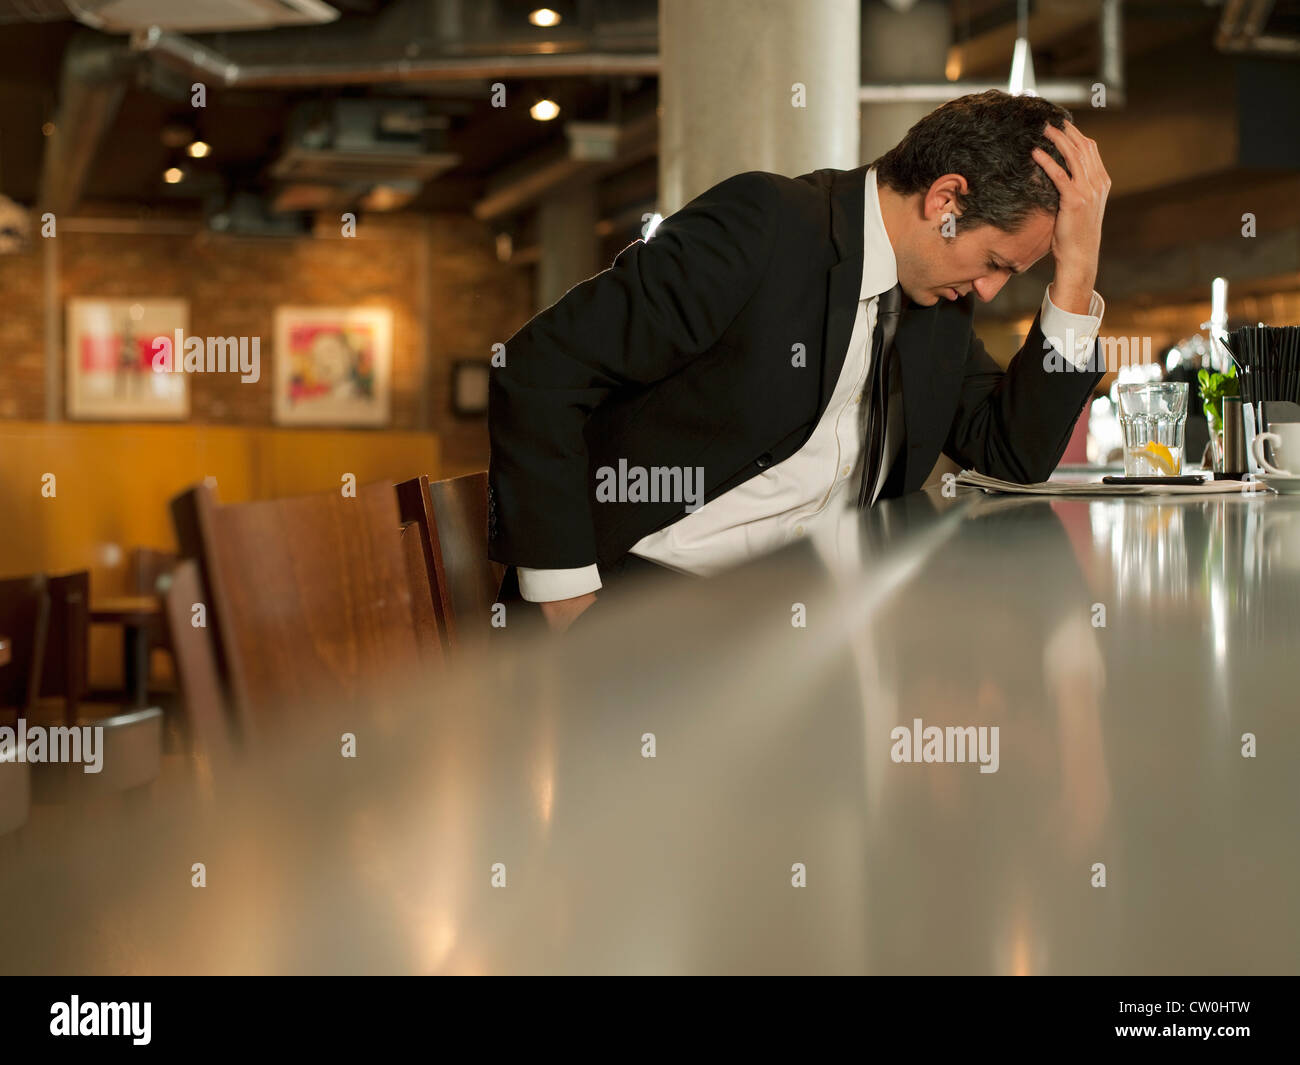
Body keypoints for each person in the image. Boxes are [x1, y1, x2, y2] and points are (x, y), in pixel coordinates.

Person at [489, 90, 1111, 632]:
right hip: (645, 605)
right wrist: (569, 603)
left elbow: (1014, 453)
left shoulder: (937, 300)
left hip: (807, 621)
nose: (989, 291)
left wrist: (1077, 276)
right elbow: (540, 368)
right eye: (998, 263)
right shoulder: (764, 225)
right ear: (946, 202)